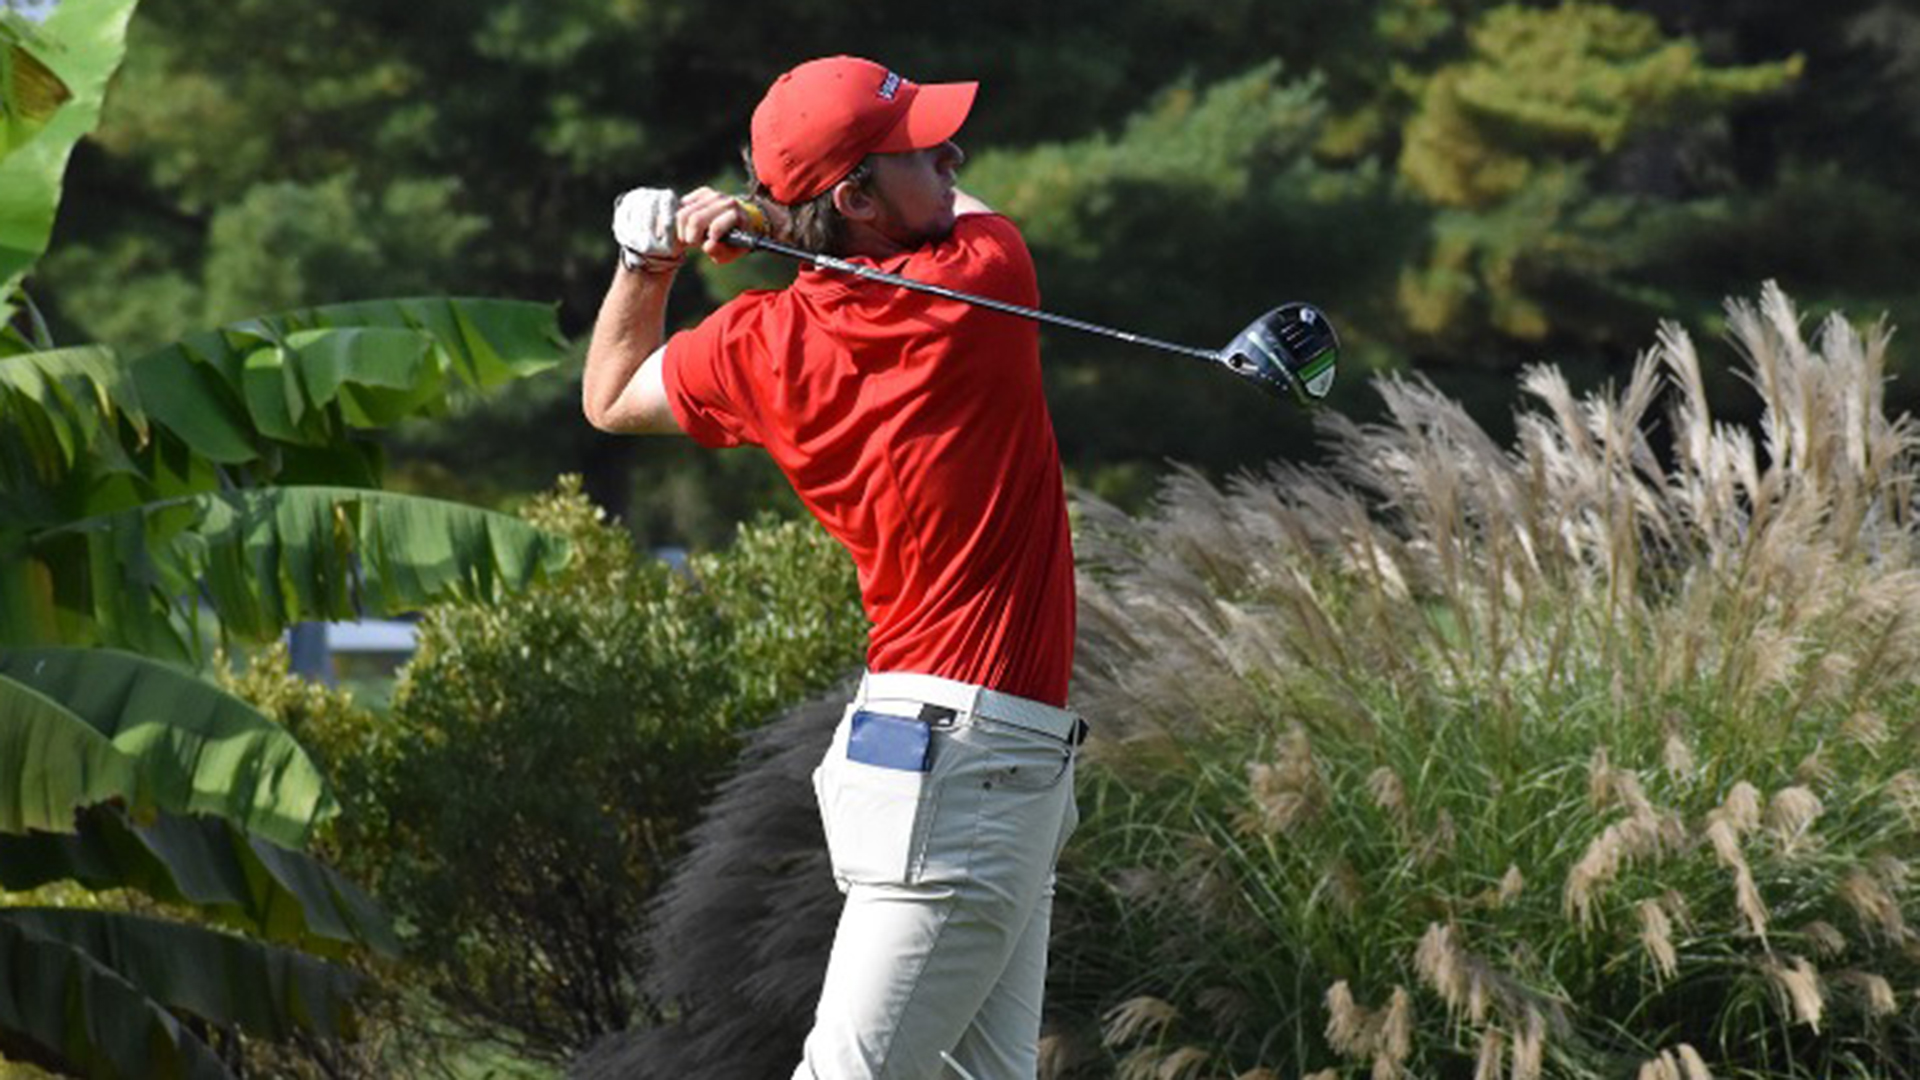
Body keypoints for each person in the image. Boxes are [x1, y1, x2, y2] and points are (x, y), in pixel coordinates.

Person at [582, 55, 1082, 1080]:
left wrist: (649, 262)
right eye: (918, 150)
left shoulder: (759, 345)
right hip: (971, 769)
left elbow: (611, 392)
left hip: (939, 754)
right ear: (855, 195)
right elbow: (973, 212)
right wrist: (775, 224)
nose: (952, 155)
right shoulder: (980, 281)